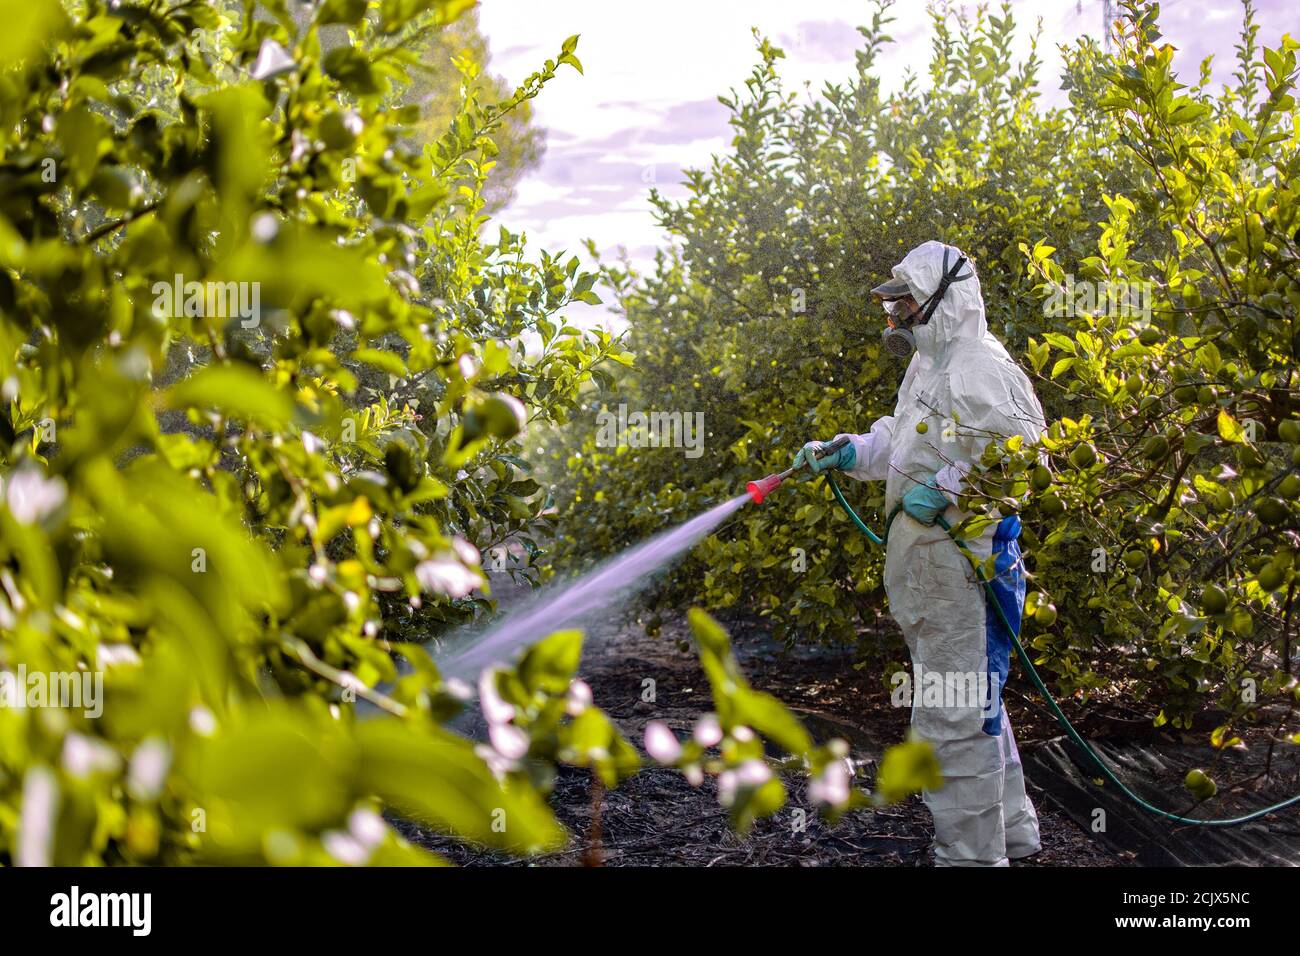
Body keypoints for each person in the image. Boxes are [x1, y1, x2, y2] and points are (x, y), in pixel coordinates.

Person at [795, 240, 1047, 867]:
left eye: (904, 301)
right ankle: (1012, 834)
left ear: (943, 299)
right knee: (972, 701)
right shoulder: (930, 366)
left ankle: (969, 858)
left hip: (968, 567)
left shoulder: (979, 365)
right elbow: (907, 439)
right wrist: (853, 450)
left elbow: (1025, 455)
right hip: (933, 574)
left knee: (952, 716)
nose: (895, 314)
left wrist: (949, 488)